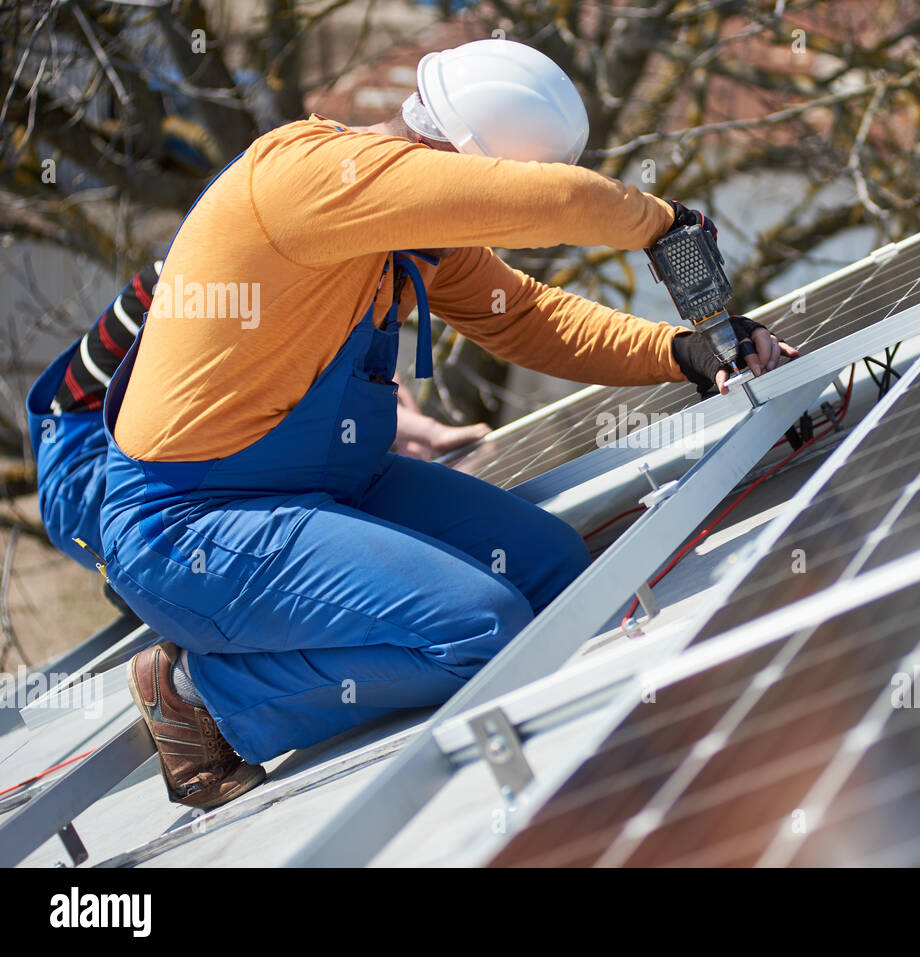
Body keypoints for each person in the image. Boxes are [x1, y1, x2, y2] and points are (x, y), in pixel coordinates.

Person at [96, 39, 795, 809]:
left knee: (555, 574)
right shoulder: (307, 179)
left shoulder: (416, 237)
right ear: (452, 159)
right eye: (488, 181)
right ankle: (202, 692)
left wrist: (683, 352)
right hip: (191, 523)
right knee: (481, 630)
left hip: (328, 489)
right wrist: (662, 222)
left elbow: (526, 316)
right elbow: (557, 204)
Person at [25, 264, 488, 590]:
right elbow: (272, 395)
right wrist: (406, 429)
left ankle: (160, 582)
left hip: (136, 461)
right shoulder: (194, 285)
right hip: (88, 476)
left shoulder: (266, 287)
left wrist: (402, 420)